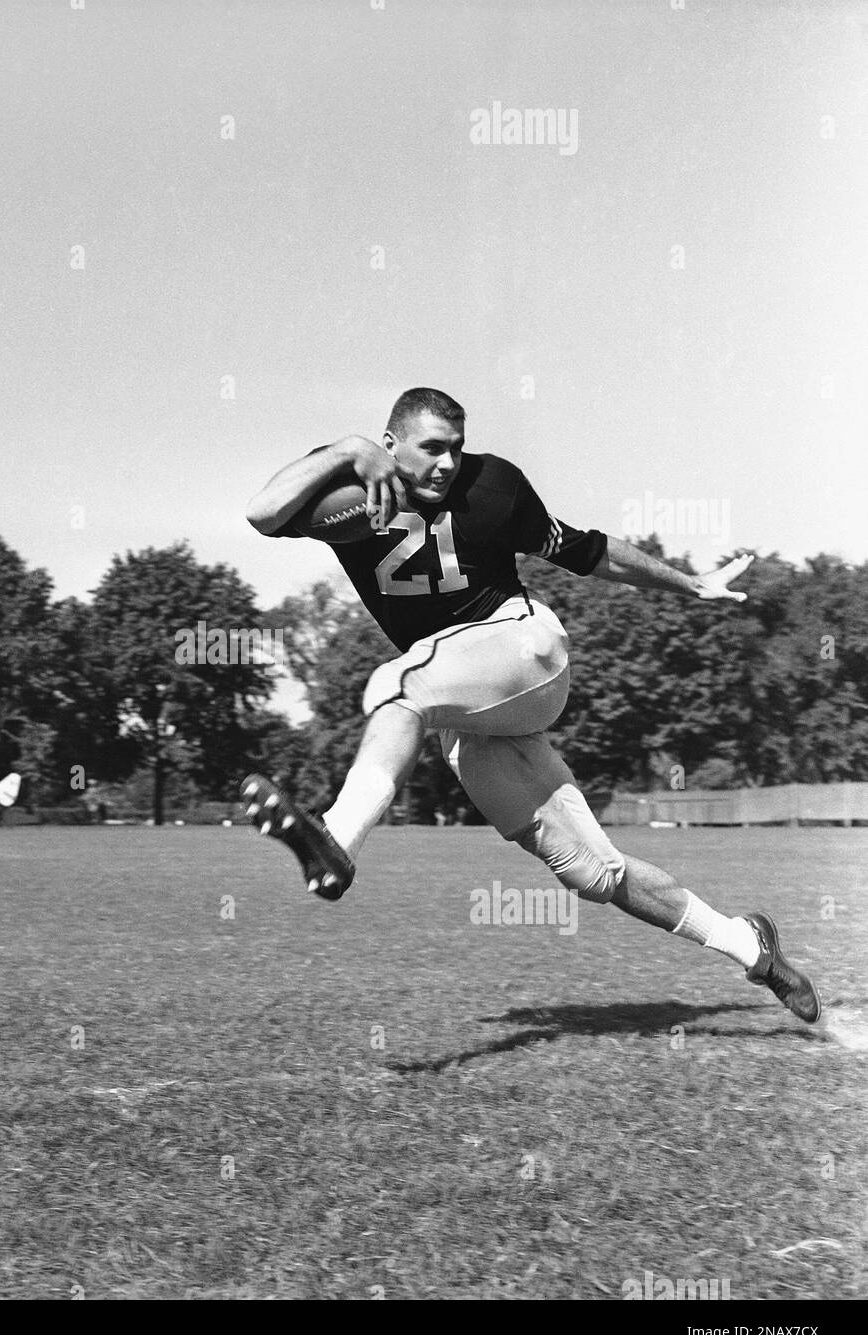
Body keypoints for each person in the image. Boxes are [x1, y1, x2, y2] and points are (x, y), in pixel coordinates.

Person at [239, 387, 821, 1023]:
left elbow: (587, 550)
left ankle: (337, 840)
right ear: (390, 444)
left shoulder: (494, 486)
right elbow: (263, 513)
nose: (445, 464)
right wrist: (346, 449)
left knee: (395, 686)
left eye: (455, 449)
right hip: (465, 701)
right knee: (595, 874)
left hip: (524, 652)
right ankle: (752, 946)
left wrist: (691, 583)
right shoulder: (352, 498)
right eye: (430, 448)